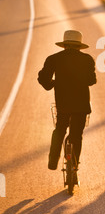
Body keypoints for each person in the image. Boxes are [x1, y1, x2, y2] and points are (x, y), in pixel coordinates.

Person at [38, 30, 97, 170]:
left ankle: (53, 161)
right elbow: (91, 80)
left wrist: (53, 84)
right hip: (81, 105)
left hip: (63, 103)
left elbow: (43, 78)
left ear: (64, 45)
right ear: (79, 46)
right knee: (76, 135)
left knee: (59, 130)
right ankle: (74, 165)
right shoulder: (87, 59)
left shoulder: (53, 58)